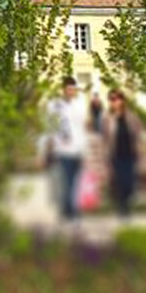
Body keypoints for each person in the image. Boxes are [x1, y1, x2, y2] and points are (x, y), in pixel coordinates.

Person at [42, 76, 90, 225]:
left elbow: (83, 129)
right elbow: (50, 129)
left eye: (73, 89)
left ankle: (67, 211)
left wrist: (85, 151)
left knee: (75, 182)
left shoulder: (80, 106)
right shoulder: (54, 106)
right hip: (62, 150)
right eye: (68, 89)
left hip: (78, 149)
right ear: (63, 90)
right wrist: (47, 150)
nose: (71, 92)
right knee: (66, 182)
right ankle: (71, 213)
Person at [104, 90, 143, 220]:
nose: (114, 102)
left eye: (117, 99)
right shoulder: (108, 118)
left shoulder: (131, 117)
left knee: (130, 183)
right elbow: (105, 138)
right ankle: (122, 208)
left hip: (130, 154)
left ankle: (126, 204)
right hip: (116, 155)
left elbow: (138, 135)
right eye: (112, 99)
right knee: (120, 182)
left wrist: (140, 150)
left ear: (123, 101)